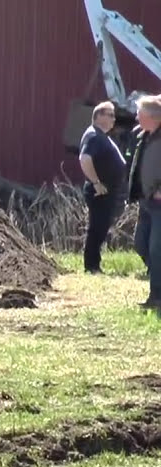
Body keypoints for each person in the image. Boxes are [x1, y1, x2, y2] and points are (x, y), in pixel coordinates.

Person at [78, 101, 127, 274]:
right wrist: (96, 183)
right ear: (99, 116)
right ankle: (91, 266)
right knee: (97, 226)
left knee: (101, 226)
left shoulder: (101, 136)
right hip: (100, 190)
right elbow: (85, 159)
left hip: (107, 190)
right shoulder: (93, 136)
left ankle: (94, 263)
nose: (114, 119)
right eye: (111, 115)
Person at [125, 95, 161, 311]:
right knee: (141, 244)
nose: (136, 117)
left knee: (157, 248)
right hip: (145, 200)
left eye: (140, 113)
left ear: (152, 117)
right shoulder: (141, 136)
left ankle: (156, 296)